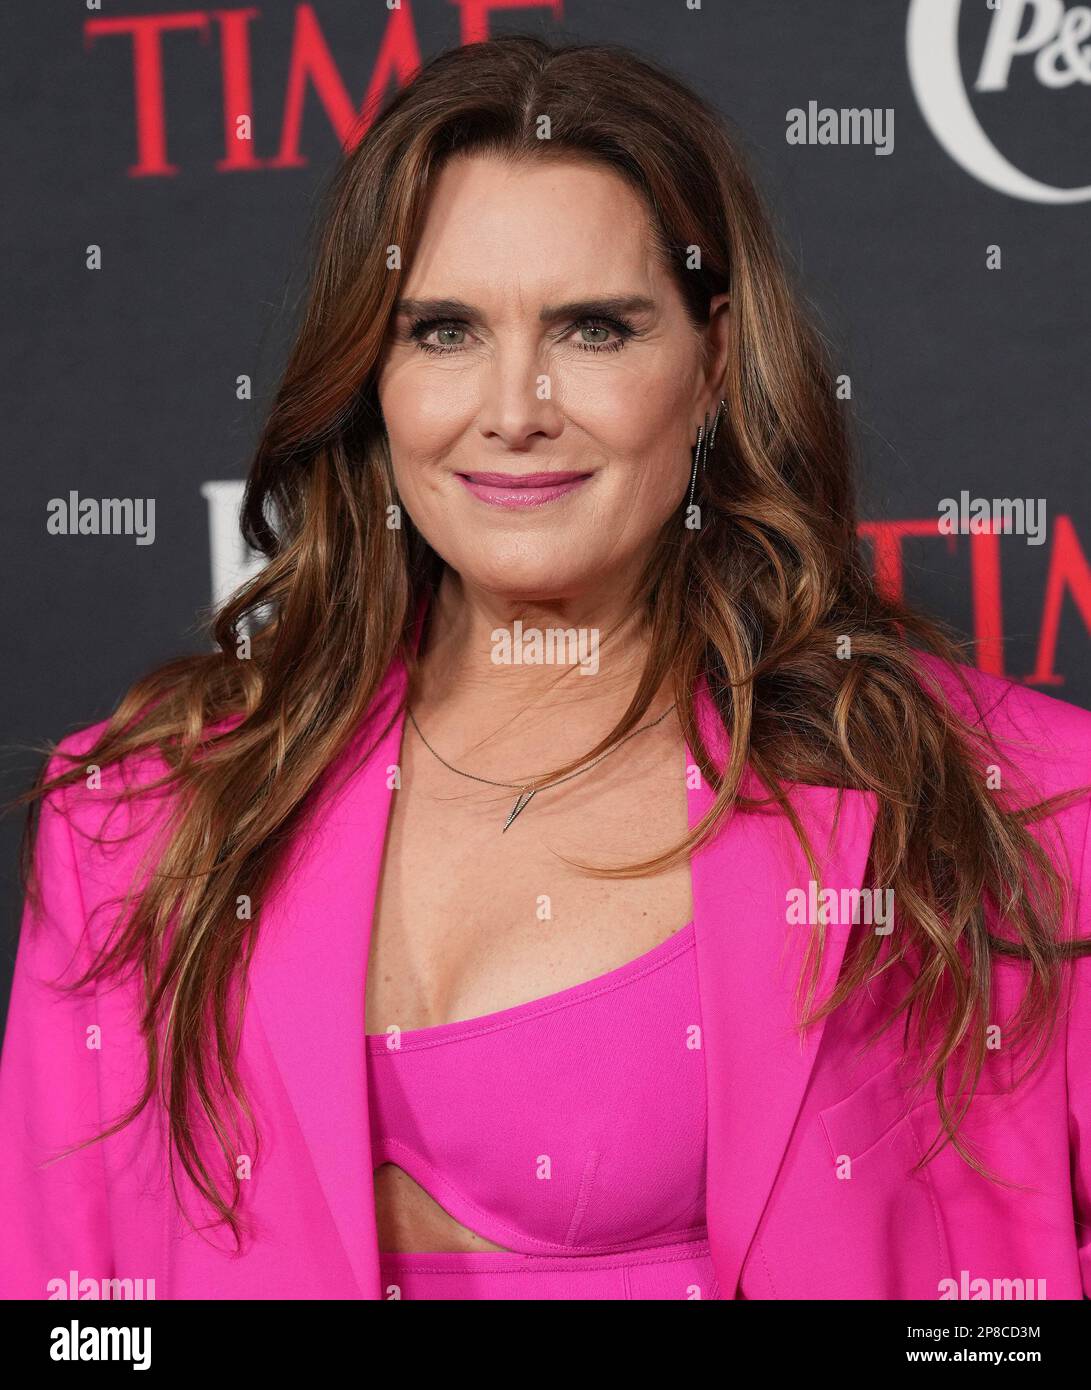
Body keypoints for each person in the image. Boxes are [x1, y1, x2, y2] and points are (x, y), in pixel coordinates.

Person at [2, 34, 1089, 1302]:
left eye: (591, 327)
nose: (514, 406)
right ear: (374, 373)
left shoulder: (1002, 801)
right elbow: (71, 1313)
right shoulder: (143, 819)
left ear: (711, 364)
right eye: (444, 330)